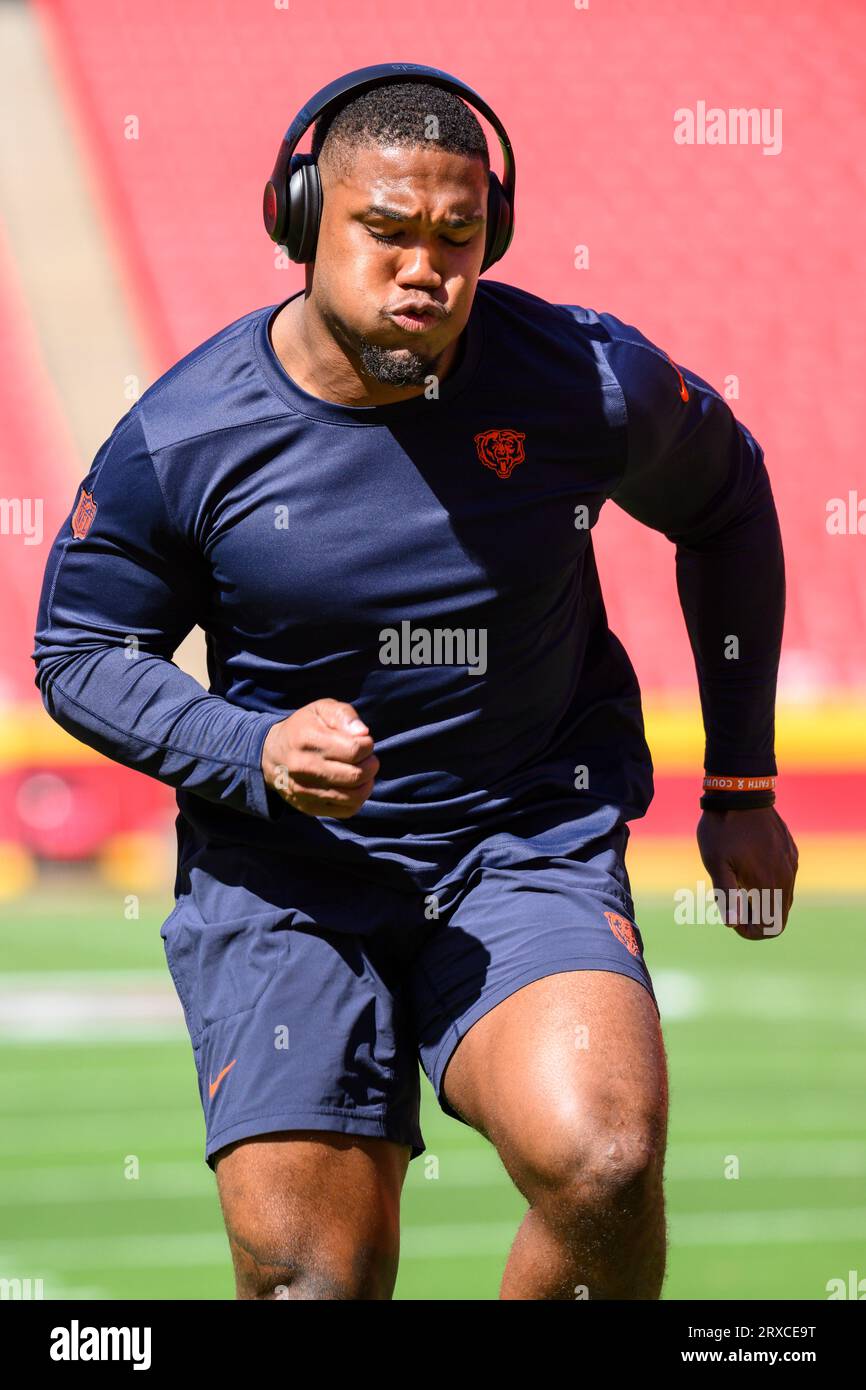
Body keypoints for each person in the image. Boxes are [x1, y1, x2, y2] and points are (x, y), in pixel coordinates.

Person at [33, 70, 798, 1300]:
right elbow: (78, 654)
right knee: (312, 1285)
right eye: (384, 230)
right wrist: (255, 748)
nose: (425, 268)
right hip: (285, 882)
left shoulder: (579, 382)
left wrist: (741, 777)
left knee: (603, 1163)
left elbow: (728, 499)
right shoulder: (181, 439)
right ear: (300, 221)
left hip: (519, 840)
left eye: (458, 235)